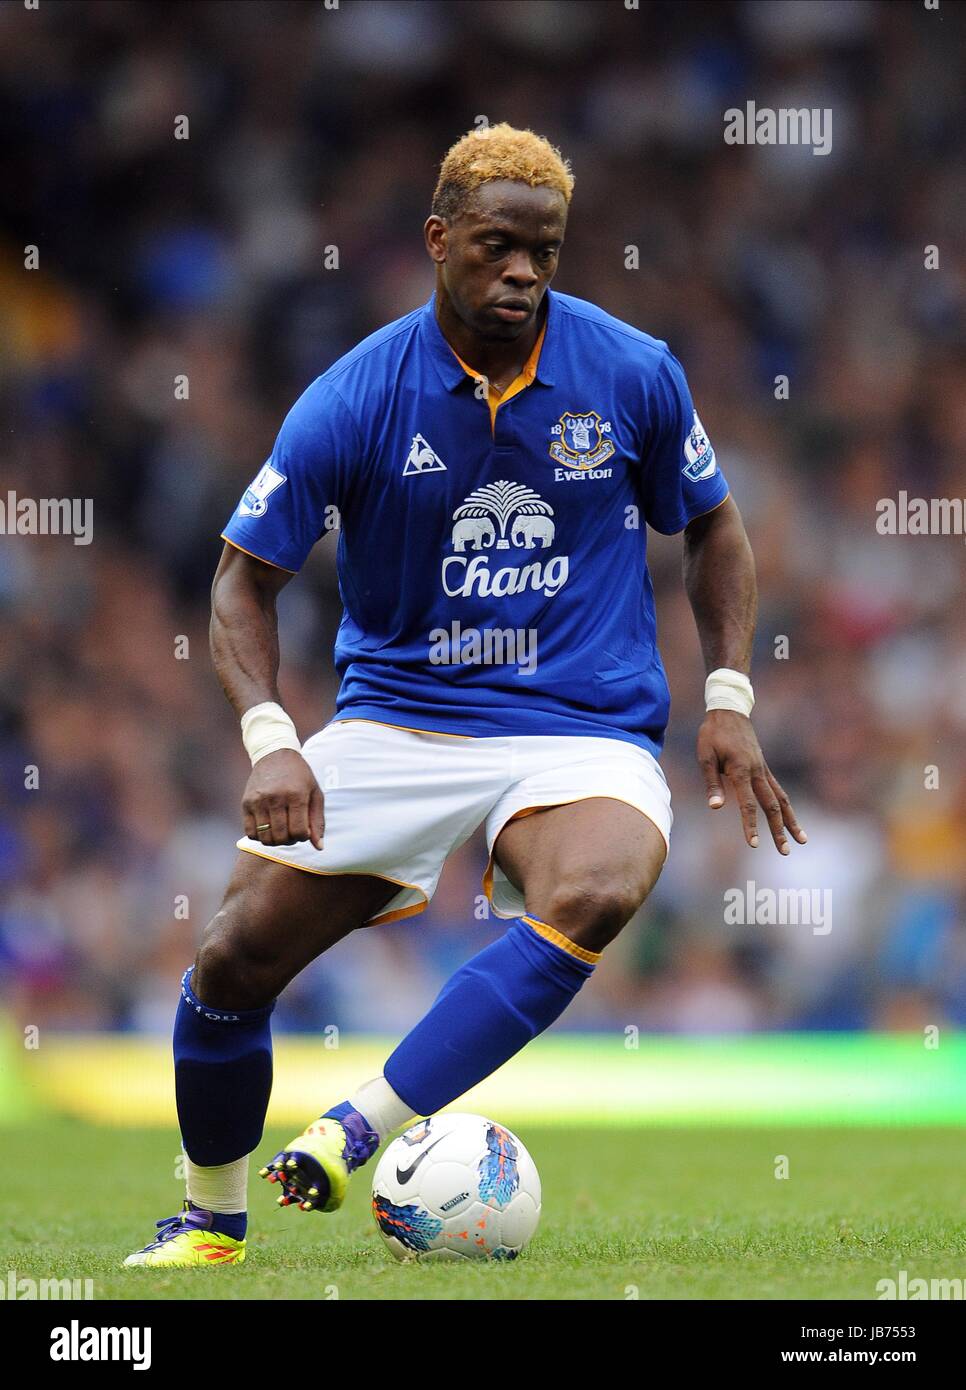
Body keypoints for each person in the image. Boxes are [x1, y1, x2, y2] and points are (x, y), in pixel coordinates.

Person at [125, 124, 804, 1267]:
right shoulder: (353, 397)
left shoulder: (633, 371)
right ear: (439, 240)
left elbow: (716, 525)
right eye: (496, 247)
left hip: (578, 725)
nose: (524, 273)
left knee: (596, 886)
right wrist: (271, 740)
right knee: (231, 961)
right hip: (396, 718)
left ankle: (357, 1130)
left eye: (544, 251)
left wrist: (727, 695)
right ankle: (209, 1221)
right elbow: (244, 581)